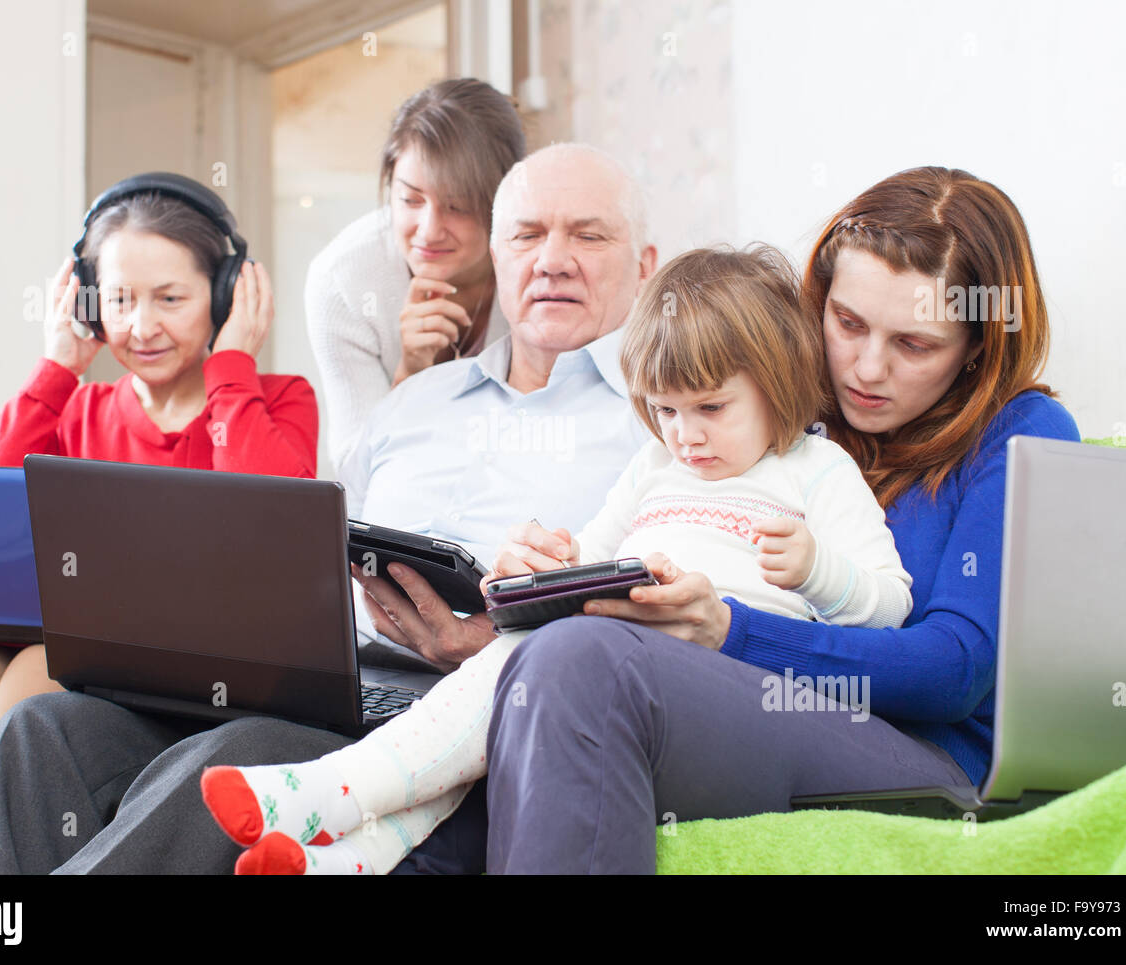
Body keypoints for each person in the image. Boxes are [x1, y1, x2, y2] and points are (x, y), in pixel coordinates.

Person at [0, 143, 659, 874]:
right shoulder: (413, 402)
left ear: (646, 264)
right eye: (529, 236)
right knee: (43, 728)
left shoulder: (667, 422)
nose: (553, 259)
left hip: (445, 715)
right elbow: (306, 540)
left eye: (589, 235)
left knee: (236, 759)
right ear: (500, 261)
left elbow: (683, 607)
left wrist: (486, 648)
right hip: (317, 679)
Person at [200, 243, 921, 875]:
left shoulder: (815, 469)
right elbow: (593, 555)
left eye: (709, 408)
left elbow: (891, 604)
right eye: (665, 410)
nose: (685, 435)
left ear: (779, 382)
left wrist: (818, 571)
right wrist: (546, 565)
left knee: (531, 670)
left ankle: (331, 788)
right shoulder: (656, 466)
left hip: (717, 688)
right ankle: (353, 854)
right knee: (507, 683)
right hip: (609, 660)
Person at [483, 166, 1083, 873]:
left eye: (914, 344)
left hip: (921, 759)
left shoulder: (1022, 431)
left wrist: (732, 630)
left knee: (580, 663)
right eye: (848, 322)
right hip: (756, 712)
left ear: (978, 344)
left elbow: (953, 670)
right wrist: (548, 577)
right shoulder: (773, 409)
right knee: (531, 688)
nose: (865, 368)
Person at [0, 174, 319, 875]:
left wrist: (232, 370)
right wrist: (57, 368)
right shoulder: (77, 408)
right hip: (70, 642)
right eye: (120, 300)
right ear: (89, 304)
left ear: (224, 296)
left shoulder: (274, 401)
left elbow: (277, 527)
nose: (141, 325)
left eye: (172, 299)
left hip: (191, 682)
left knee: (36, 677)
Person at [306, 78, 526, 469]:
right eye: (409, 199)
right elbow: (355, 474)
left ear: (504, 200)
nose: (428, 230)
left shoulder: (536, 266)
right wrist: (410, 373)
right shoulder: (344, 280)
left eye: (457, 206)